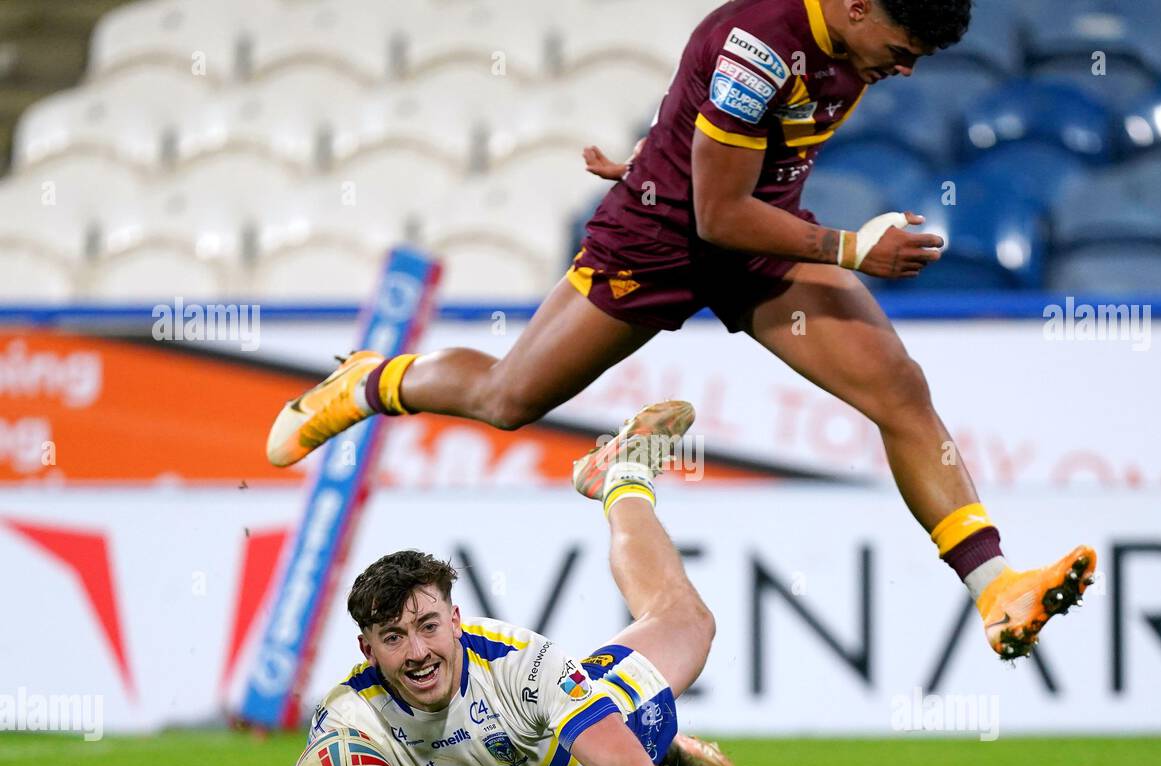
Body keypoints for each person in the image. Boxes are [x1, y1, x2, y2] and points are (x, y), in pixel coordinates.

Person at [266, 0, 1095, 660]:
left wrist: (663, 143)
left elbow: (729, 156)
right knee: (505, 397)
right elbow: (718, 209)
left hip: (757, 244)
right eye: (904, 45)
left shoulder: (850, 52)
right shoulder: (759, 47)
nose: (906, 66)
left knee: (900, 390)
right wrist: (851, 248)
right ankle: (370, 381)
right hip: (662, 242)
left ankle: (995, 587)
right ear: (854, 6)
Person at [266, 402, 733, 766]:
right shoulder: (351, 714)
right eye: (393, 637)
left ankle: (621, 477)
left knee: (687, 620)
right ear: (366, 651)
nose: (417, 652)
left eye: (428, 626)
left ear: (455, 622)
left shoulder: (519, 664)